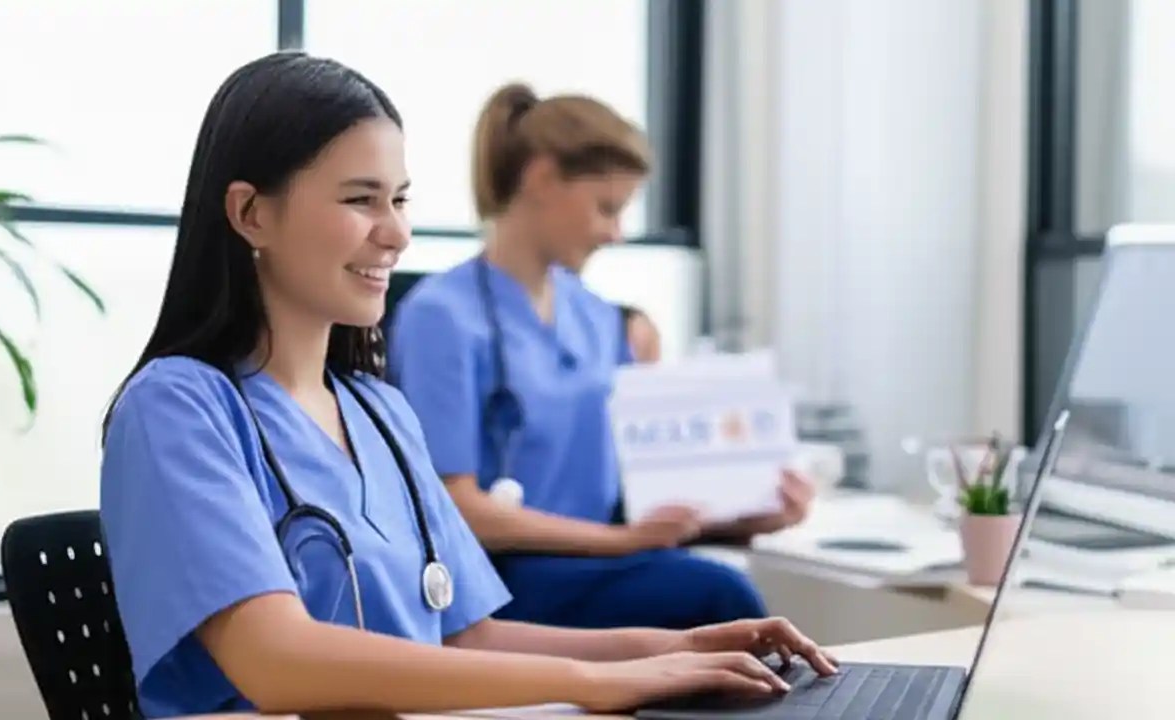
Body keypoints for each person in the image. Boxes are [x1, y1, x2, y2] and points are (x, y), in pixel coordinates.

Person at [97, 53, 836, 718]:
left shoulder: (379, 411)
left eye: (401, 199)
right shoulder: (178, 409)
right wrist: (589, 682)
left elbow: (467, 634)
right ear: (251, 214)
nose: (395, 232)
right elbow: (277, 661)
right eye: (360, 200)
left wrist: (670, 648)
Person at [387, 83, 815, 631]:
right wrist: (621, 542)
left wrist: (746, 515)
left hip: (594, 558)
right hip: (492, 578)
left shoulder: (599, 320)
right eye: (606, 208)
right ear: (541, 178)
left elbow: (631, 500)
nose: (615, 233)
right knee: (717, 595)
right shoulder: (441, 317)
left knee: (715, 590)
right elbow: (456, 508)